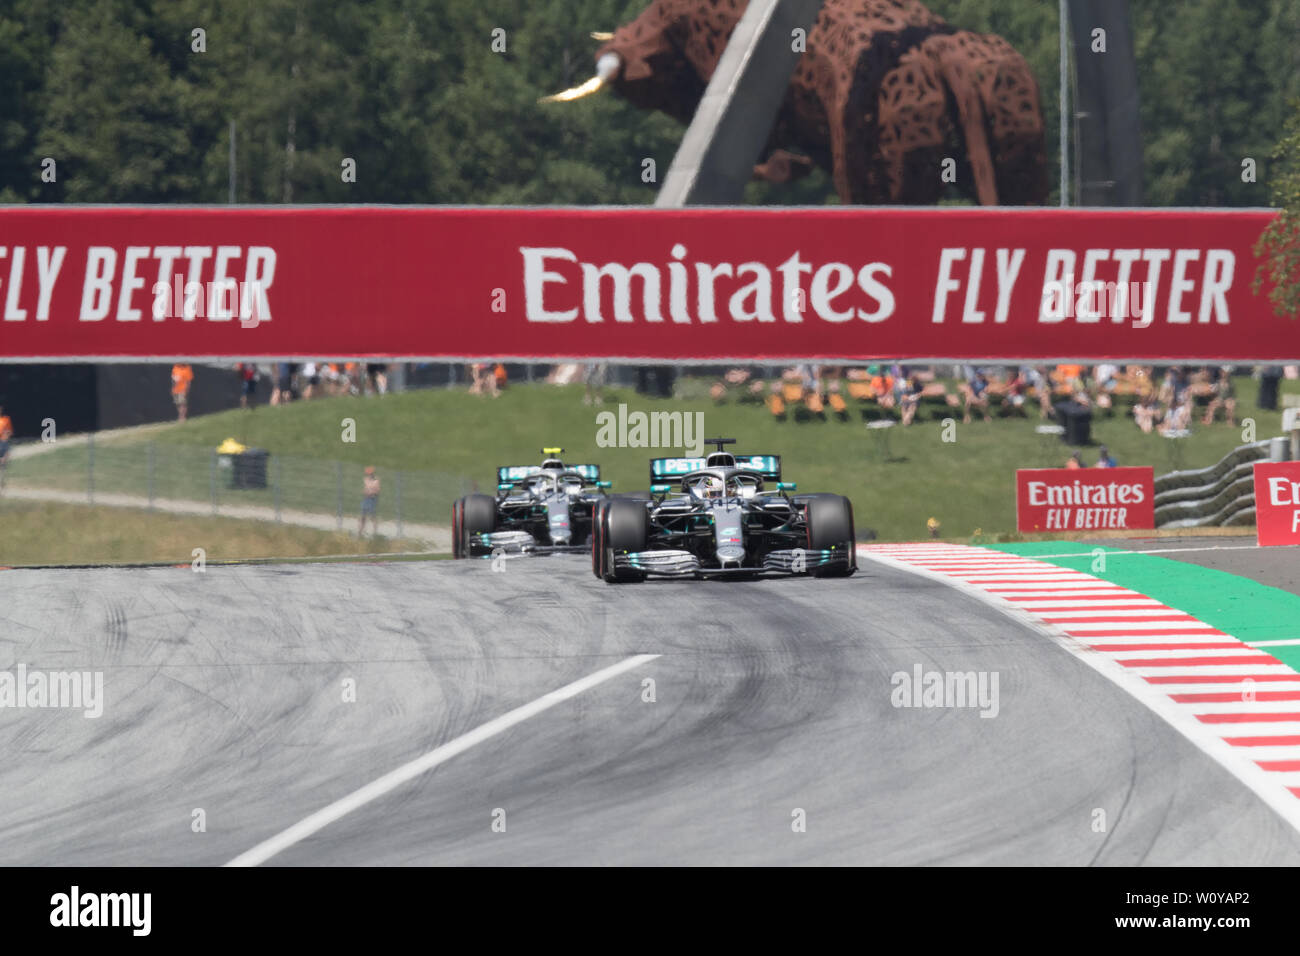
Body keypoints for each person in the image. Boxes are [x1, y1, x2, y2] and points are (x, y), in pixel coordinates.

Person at [359, 466, 381, 537]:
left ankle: (375, 532)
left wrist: (371, 492)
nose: (368, 475)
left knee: (372, 516)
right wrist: (365, 492)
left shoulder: (376, 480)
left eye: (369, 473)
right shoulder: (365, 479)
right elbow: (365, 489)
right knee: (363, 516)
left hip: (372, 499)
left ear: (372, 473)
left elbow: (377, 491)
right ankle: (360, 531)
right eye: (367, 473)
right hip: (366, 498)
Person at [0, 405, 12, 493]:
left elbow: (9, 431)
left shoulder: (6, 419)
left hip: (3, 442)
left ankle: (2, 485)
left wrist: (5, 437)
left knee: (3, 464)